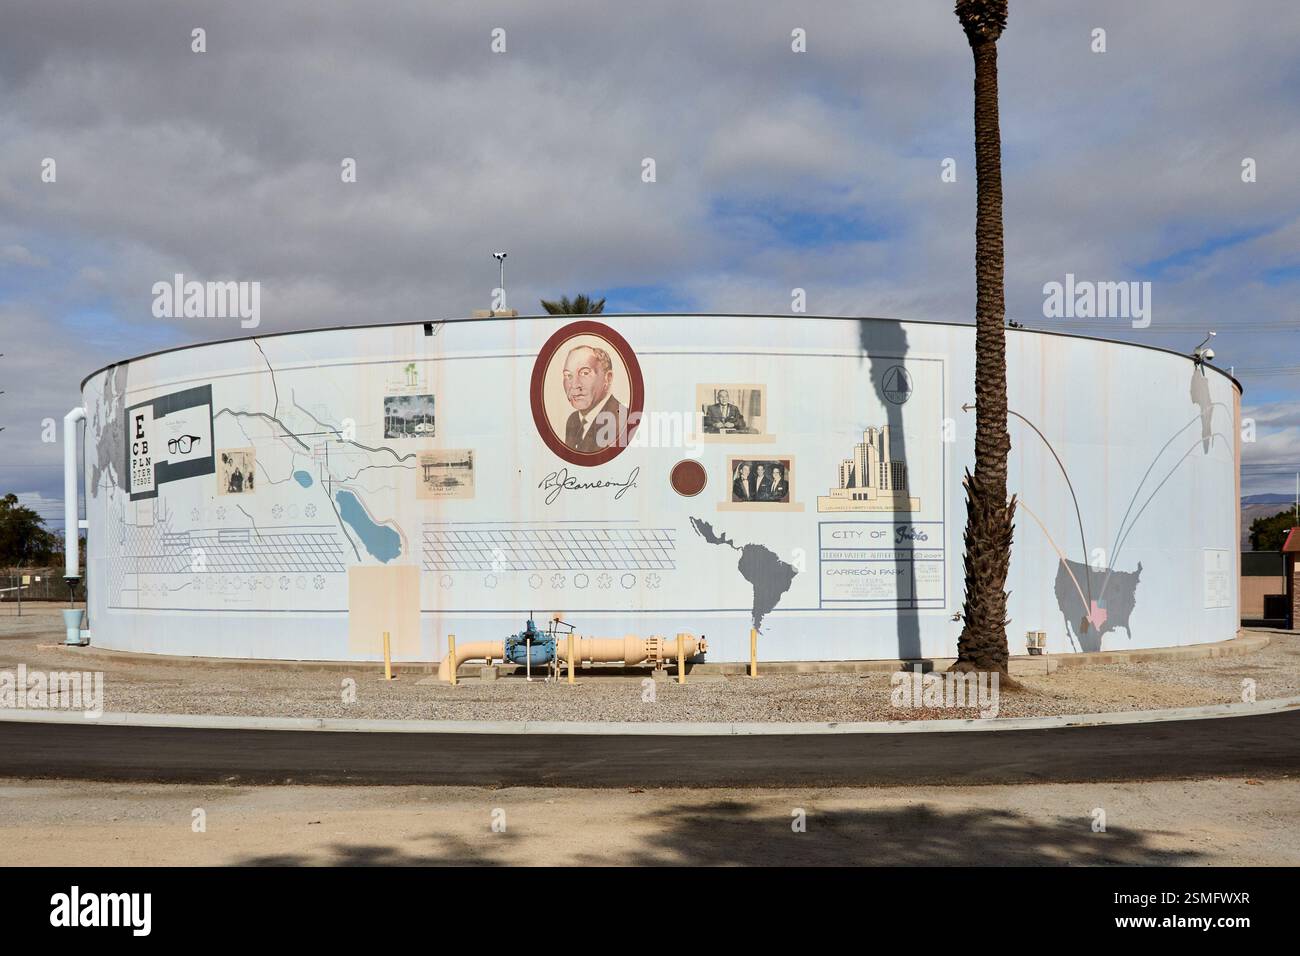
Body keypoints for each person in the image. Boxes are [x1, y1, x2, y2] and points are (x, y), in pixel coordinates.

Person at [562, 344, 624, 453]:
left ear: (607, 378)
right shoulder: (573, 420)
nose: (574, 385)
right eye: (568, 375)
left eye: (585, 373)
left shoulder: (622, 420)